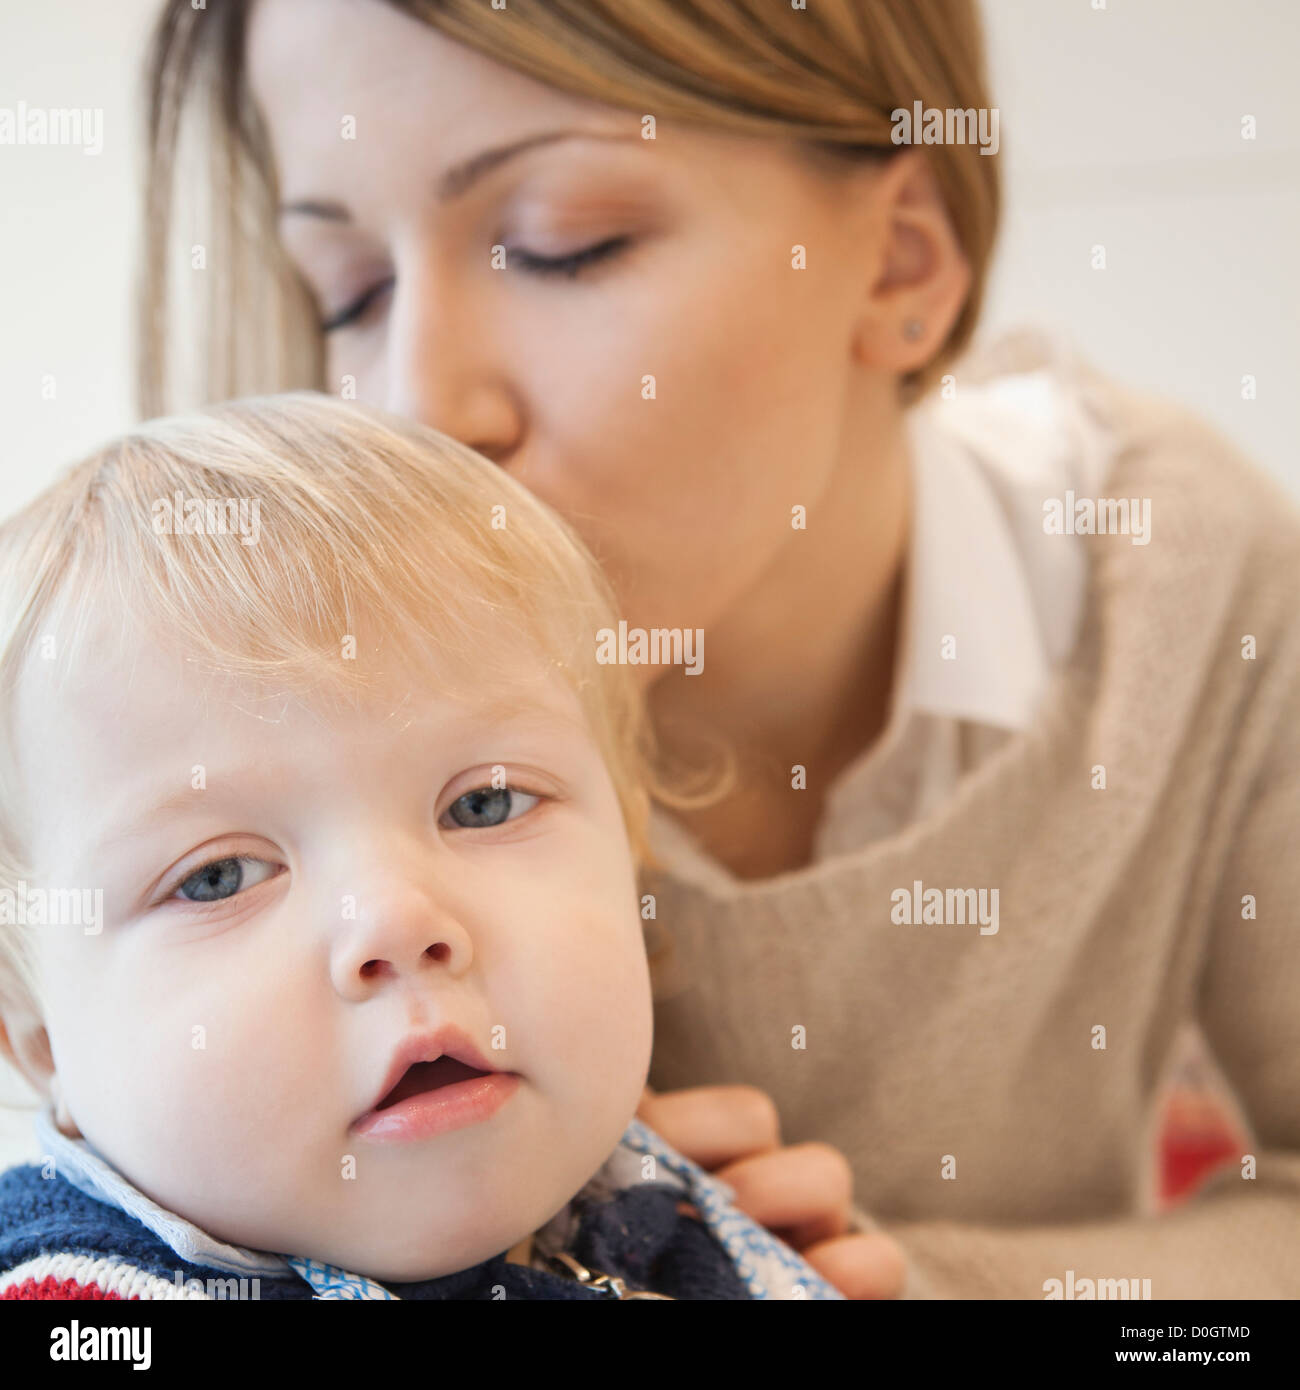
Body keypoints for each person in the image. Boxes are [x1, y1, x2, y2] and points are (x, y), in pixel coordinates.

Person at [134, 0, 1300, 1298]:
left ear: (903, 264)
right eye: (349, 293)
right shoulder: (233, 731)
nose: (419, 409)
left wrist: (912, 1284)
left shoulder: (1176, 572)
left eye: (558, 245)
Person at [0, 392, 842, 1300]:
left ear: (628, 846)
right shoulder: (86, 1299)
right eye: (218, 877)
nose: (397, 923)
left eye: (483, 805)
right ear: (45, 1046)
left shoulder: (672, 1217)